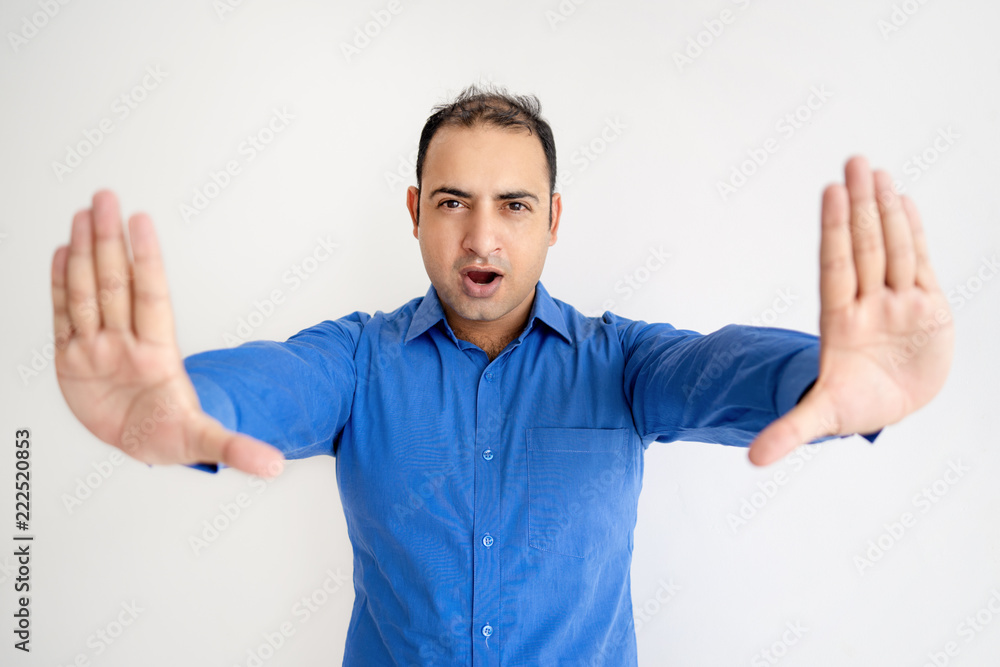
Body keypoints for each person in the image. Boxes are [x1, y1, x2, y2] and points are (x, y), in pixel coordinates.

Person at [50, 85, 954, 665]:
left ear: (553, 219)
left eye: (514, 205)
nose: (482, 238)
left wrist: (819, 376)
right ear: (415, 212)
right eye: (453, 203)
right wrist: (183, 398)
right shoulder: (359, 359)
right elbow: (278, 381)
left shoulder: (624, 361)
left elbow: (713, 365)